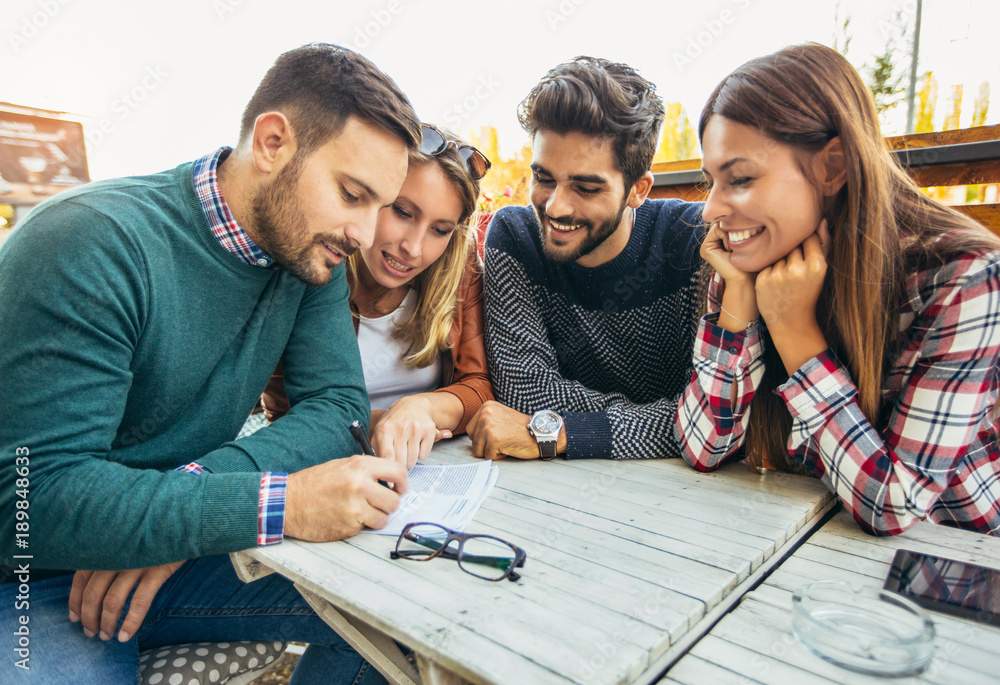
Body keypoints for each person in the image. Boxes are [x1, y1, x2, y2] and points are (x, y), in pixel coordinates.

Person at [0, 44, 422, 682]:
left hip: (189, 553)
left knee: (401, 623)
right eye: (351, 194)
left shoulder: (310, 258)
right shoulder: (89, 243)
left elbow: (338, 410)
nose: (364, 234)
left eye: (377, 206)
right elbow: (32, 503)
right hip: (35, 585)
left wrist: (182, 521)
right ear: (274, 142)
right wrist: (268, 504)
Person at [675, 43, 1000, 536]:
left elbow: (895, 505)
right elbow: (702, 447)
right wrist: (738, 305)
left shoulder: (963, 276)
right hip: (812, 544)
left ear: (833, 167)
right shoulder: (749, 259)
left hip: (955, 563)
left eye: (739, 178)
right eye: (710, 182)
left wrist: (794, 330)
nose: (710, 209)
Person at [468, 56, 705, 461]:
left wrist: (564, 431)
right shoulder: (516, 237)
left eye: (586, 188)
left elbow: (711, 423)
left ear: (638, 189)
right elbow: (524, 389)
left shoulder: (693, 240)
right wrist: (667, 421)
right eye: (544, 178)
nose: (556, 208)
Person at [261, 124, 494, 467]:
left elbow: (478, 386)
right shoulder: (313, 268)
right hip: (333, 468)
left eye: (439, 230)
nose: (413, 248)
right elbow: (285, 415)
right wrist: (385, 423)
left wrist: (421, 408)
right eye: (402, 212)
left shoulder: (457, 273)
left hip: (432, 467)